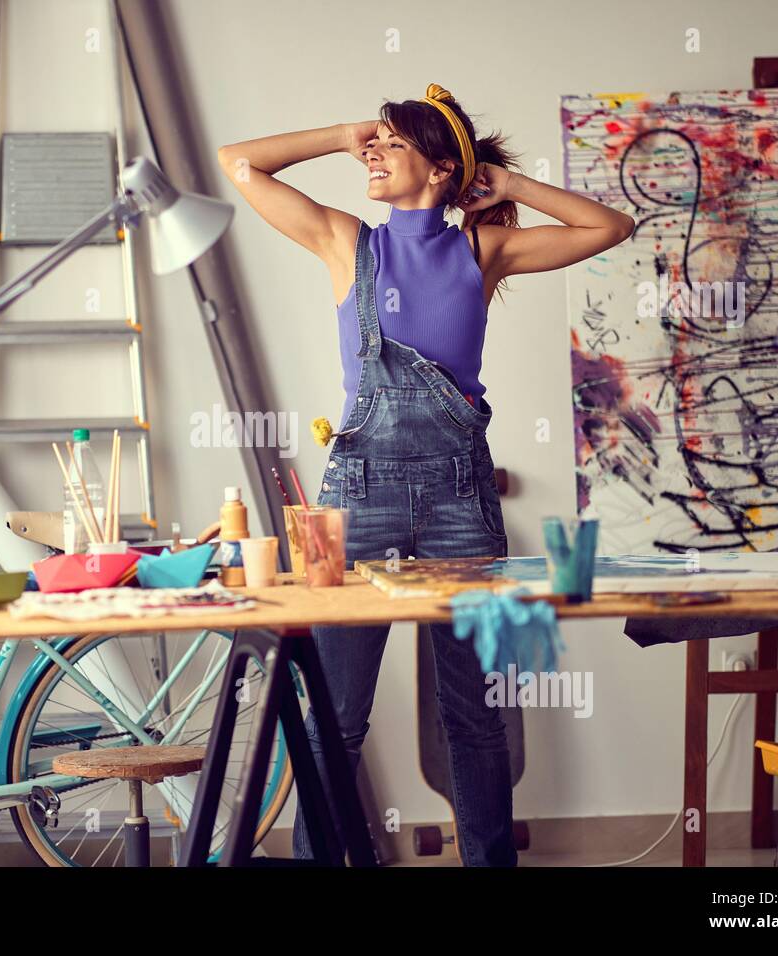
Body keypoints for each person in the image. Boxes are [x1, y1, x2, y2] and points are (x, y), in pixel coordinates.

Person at [217, 84, 634, 865]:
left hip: (458, 501)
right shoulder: (348, 241)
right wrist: (348, 132)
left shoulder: (483, 249)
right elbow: (237, 163)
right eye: (371, 145)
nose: (371, 155)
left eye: (391, 145)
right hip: (356, 499)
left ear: (442, 168)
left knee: (473, 716)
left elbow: (611, 225)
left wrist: (503, 185)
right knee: (335, 717)